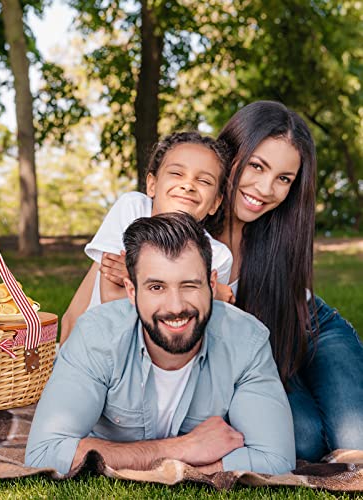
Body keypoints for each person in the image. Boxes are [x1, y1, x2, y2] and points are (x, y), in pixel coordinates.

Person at [102, 101, 363, 462]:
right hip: (265, 353)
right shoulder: (174, 226)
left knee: (355, 438)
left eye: (284, 179)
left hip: (311, 325)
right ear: (231, 155)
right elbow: (89, 315)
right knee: (304, 440)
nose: (266, 189)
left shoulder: (277, 233)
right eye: (257, 166)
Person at [26, 213, 295, 475]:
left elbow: (274, 458)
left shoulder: (246, 341)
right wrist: (184, 449)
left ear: (212, 285)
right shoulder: (96, 336)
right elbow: (44, 453)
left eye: (189, 285)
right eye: (157, 287)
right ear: (132, 291)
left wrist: (118, 458)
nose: (176, 306)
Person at [60, 132, 234, 343]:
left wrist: (135, 274)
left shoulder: (218, 256)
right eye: (177, 173)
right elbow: (112, 299)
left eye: (204, 180)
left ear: (216, 202)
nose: (188, 185)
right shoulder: (132, 208)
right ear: (152, 184)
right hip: (95, 343)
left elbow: (186, 324)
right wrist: (201, 291)